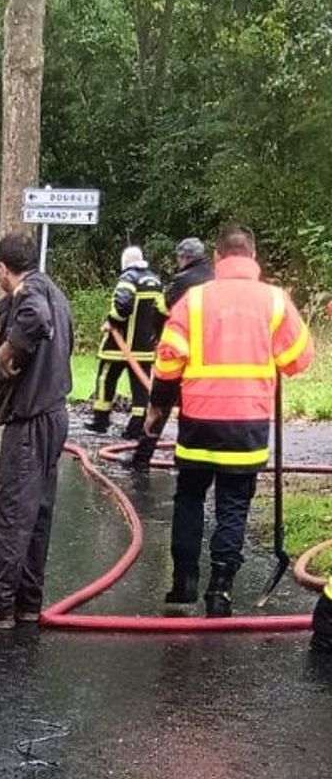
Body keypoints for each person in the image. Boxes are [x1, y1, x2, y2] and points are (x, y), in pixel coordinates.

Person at [145, 225, 313, 616]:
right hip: (247, 423)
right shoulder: (274, 301)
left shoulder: (193, 300)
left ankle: (183, 582)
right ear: (253, 258)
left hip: (199, 420)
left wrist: (157, 408)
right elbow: (299, 360)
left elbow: (168, 362)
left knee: (189, 496)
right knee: (233, 505)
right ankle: (220, 589)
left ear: (218, 257)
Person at [0, 233, 74, 630]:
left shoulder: (31, 297)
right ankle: (26, 602)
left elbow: (34, 321)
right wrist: (1, 387)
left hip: (31, 423)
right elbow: (44, 356)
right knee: (36, 514)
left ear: (2, 268)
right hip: (52, 414)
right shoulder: (55, 292)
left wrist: (7, 349)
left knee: (13, 512)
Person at [126, 237, 214, 470]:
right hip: (211, 356)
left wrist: (158, 337)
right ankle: (196, 459)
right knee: (198, 409)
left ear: (183, 258)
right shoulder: (216, 278)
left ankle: (141, 458)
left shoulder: (182, 281)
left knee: (160, 406)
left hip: (180, 351)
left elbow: (161, 310)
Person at [84, 245, 166, 440]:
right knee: (140, 388)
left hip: (119, 346)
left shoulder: (128, 278)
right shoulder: (155, 281)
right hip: (145, 348)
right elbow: (163, 311)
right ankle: (136, 427)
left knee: (106, 379)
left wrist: (111, 321)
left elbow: (122, 304)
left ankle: (100, 421)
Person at [164, 236, 214, 310]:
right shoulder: (214, 273)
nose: (178, 260)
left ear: (187, 258)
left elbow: (169, 305)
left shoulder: (181, 279)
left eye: (179, 257)